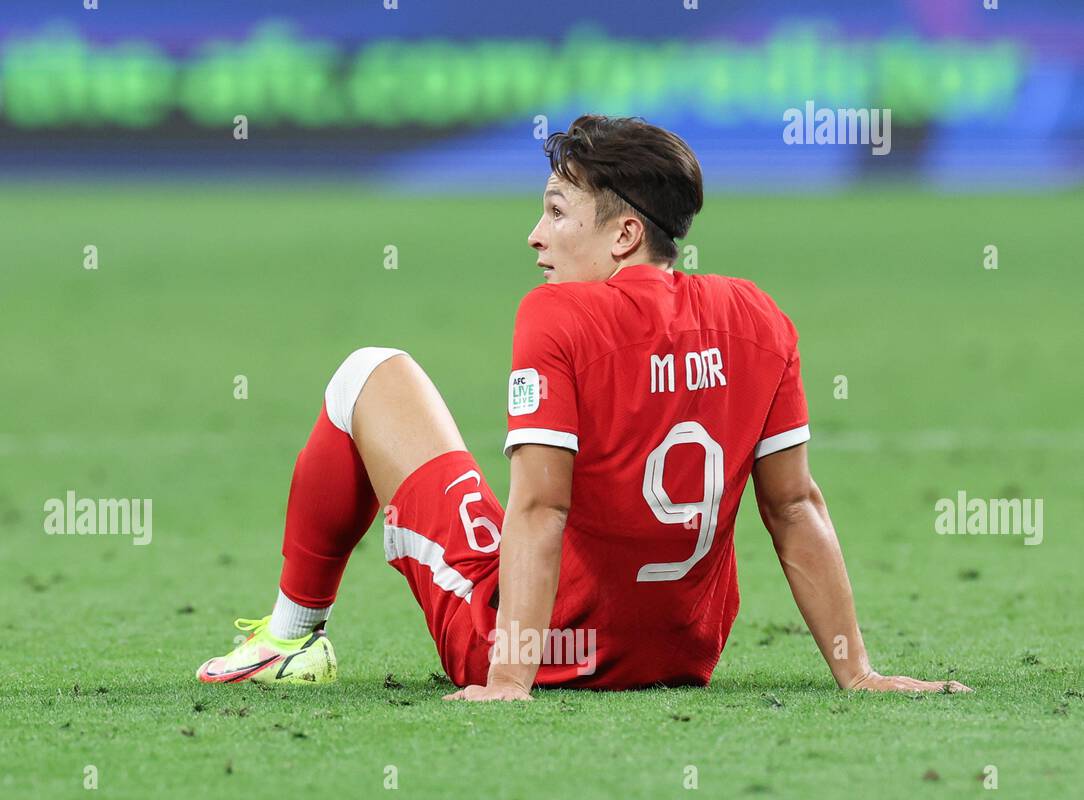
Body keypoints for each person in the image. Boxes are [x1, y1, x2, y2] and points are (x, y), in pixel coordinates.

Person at [197, 113, 970, 700]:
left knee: (367, 372)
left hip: (546, 653)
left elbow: (538, 512)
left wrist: (506, 679)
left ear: (626, 232)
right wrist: (857, 672)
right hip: (682, 655)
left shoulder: (558, 317)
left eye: (558, 212)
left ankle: (291, 638)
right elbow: (796, 507)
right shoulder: (758, 315)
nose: (536, 237)